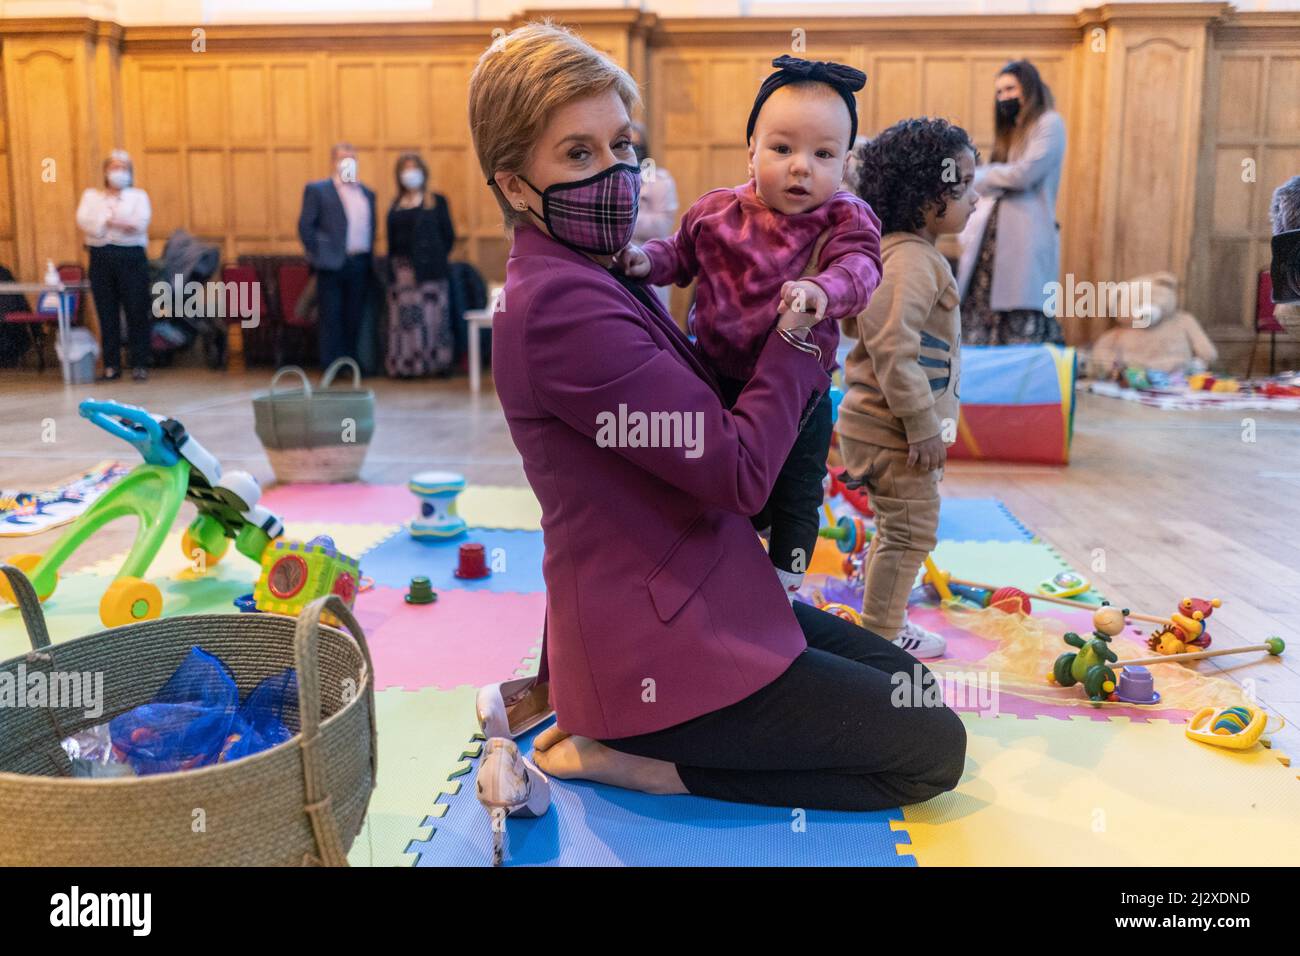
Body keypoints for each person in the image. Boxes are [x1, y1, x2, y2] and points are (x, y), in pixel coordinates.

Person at [469, 22, 965, 817]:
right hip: (660, 643)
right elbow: (737, 472)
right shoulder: (560, 307)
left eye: (621, 146)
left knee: (913, 688)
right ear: (515, 183)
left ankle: (611, 723)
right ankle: (648, 763)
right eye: (577, 154)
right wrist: (800, 335)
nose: (615, 172)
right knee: (935, 748)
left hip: (709, 582)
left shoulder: (595, 269)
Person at [619, 55, 883, 600]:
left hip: (800, 392)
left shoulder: (845, 218)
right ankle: (719, 565)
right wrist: (648, 262)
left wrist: (821, 290)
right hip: (716, 378)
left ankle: (784, 590)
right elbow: (680, 253)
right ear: (751, 152)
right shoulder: (717, 212)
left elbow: (861, 269)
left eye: (823, 154)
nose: (800, 167)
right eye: (782, 148)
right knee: (724, 484)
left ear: (845, 163)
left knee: (796, 490)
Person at [838, 118, 980, 659]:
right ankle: (882, 637)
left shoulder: (898, 252)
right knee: (911, 532)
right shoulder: (914, 260)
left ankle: (882, 622)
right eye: (962, 186)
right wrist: (922, 424)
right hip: (893, 431)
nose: (973, 198)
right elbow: (891, 342)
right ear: (923, 198)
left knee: (897, 529)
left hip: (883, 427)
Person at [957, 60, 1066, 346]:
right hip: (992, 239)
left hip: (1025, 238)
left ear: (1029, 90)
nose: (1004, 97)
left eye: (1010, 89)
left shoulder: (1049, 123)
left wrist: (976, 176)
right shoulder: (1010, 132)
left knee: (1019, 318)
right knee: (982, 317)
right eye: (999, 92)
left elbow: (1024, 175)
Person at [76, 149, 153, 381]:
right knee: (106, 312)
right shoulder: (91, 196)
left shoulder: (138, 196)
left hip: (131, 258)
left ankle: (139, 363)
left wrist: (108, 220)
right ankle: (111, 365)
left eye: (123, 167)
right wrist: (112, 221)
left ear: (130, 172)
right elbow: (84, 222)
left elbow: (138, 224)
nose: (118, 172)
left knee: (136, 310)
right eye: (113, 167)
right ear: (105, 171)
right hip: (100, 257)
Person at [298, 143, 376, 368]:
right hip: (331, 264)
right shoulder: (319, 190)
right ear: (333, 161)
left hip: (359, 262)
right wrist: (319, 254)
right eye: (343, 158)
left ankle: (349, 365)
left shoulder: (366, 193)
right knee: (331, 318)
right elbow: (306, 227)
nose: (348, 162)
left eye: (352, 158)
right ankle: (331, 365)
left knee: (354, 316)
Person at [385, 152, 457, 376]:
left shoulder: (436, 201)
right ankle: (408, 366)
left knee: (432, 319)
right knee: (405, 321)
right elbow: (391, 239)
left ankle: (434, 364)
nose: (410, 173)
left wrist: (431, 257)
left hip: (431, 270)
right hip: (402, 271)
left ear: (423, 172)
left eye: (413, 167)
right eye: (405, 168)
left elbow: (448, 236)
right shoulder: (395, 204)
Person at [628, 122, 679, 310]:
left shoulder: (660, 180)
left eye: (637, 146)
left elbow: (661, 226)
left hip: (650, 262)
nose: (634, 152)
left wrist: (622, 220)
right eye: (627, 145)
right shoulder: (614, 181)